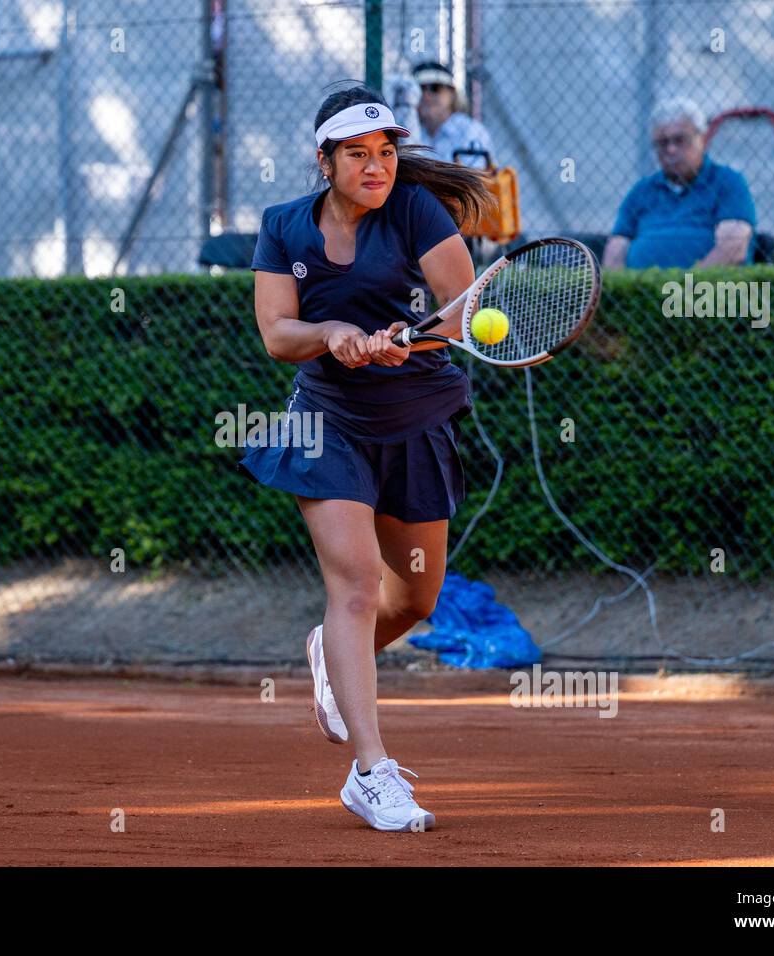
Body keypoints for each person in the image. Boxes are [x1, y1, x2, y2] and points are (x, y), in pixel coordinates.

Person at [238, 83, 492, 832]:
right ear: (325, 162)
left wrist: (403, 337)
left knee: (413, 599)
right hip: (328, 424)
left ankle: (330, 653)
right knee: (353, 583)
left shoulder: (416, 210)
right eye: (358, 155)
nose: (377, 167)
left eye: (386, 152)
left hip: (418, 422)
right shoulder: (283, 227)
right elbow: (278, 333)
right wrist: (336, 334)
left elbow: (463, 309)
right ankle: (372, 773)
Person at [603, 97, 755, 270]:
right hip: (641, 293)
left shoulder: (727, 182)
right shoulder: (642, 190)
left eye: (680, 140)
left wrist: (685, 288)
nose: (671, 150)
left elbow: (733, 248)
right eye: (662, 143)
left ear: (702, 139)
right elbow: (616, 247)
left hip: (703, 292)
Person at [410, 60, 494, 170]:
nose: (426, 95)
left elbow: (476, 181)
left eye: (434, 88)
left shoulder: (470, 130)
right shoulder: (410, 130)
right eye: (419, 89)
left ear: (452, 93)